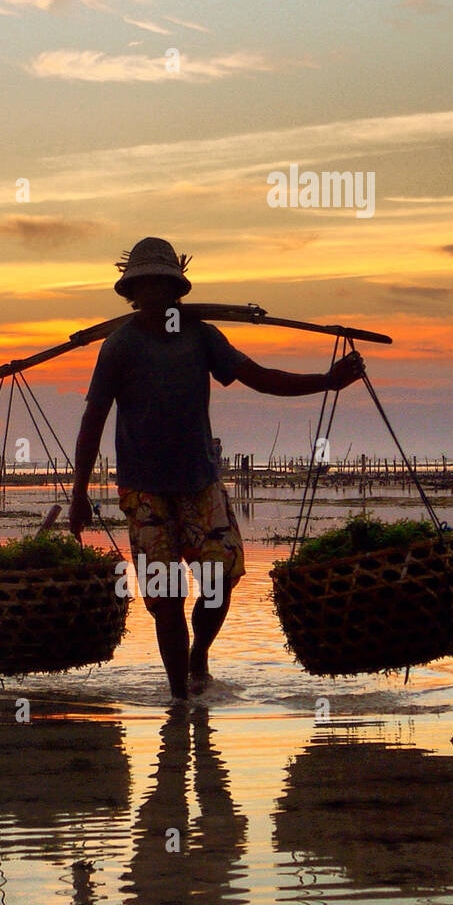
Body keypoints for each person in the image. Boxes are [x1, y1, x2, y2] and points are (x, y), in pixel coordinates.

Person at [68, 237, 365, 702]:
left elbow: (259, 377)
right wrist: (79, 492)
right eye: (143, 287)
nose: (152, 295)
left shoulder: (201, 336)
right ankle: (180, 698)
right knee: (166, 601)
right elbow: (94, 418)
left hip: (199, 482)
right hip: (144, 491)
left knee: (218, 582)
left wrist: (326, 382)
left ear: (175, 289)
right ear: (132, 292)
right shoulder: (120, 345)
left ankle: (199, 654)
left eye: (161, 285)